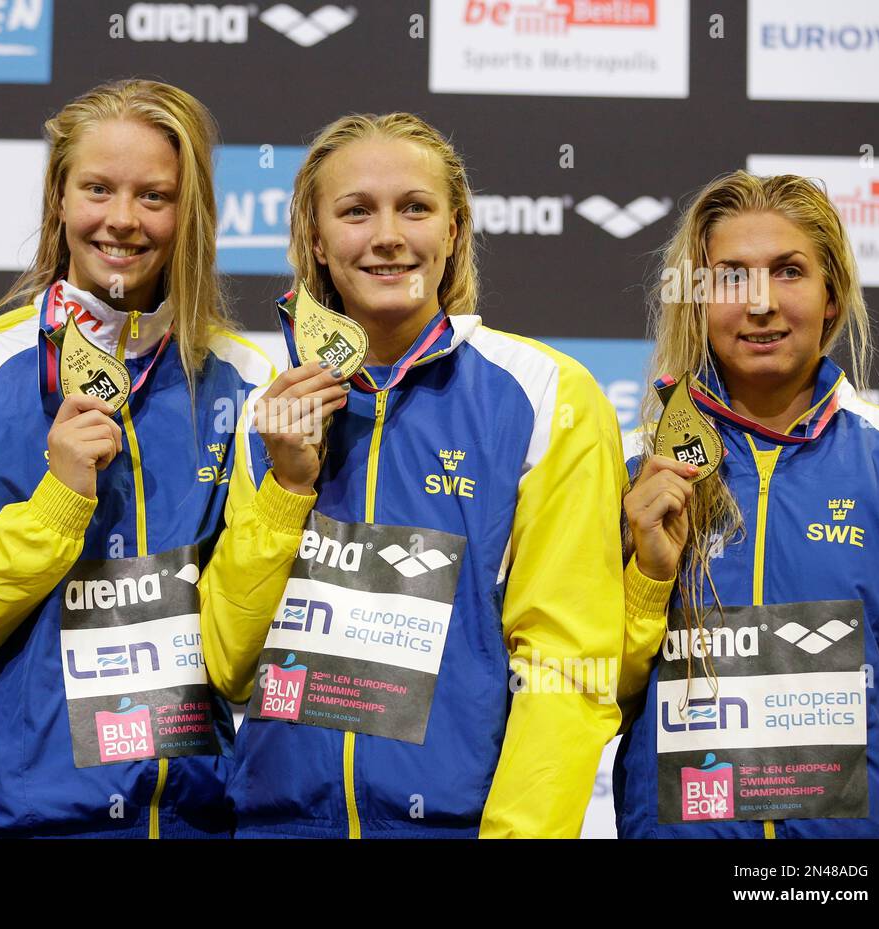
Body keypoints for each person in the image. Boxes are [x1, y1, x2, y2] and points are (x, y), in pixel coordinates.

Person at [197, 113, 626, 838]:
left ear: (454, 230)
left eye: (415, 208)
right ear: (316, 241)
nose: (388, 234)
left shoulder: (546, 395)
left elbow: (566, 671)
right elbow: (227, 662)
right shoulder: (265, 413)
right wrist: (287, 488)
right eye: (357, 210)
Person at [0, 79, 273, 838]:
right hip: (18, 821)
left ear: (191, 214)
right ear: (58, 197)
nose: (122, 218)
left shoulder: (248, 383)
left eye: (155, 196)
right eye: (97, 188)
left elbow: (243, 649)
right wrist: (53, 508)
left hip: (195, 820)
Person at [617, 171, 879, 838]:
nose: (760, 303)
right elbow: (589, 690)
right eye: (730, 277)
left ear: (832, 296)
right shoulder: (631, 468)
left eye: (788, 272)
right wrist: (648, 578)